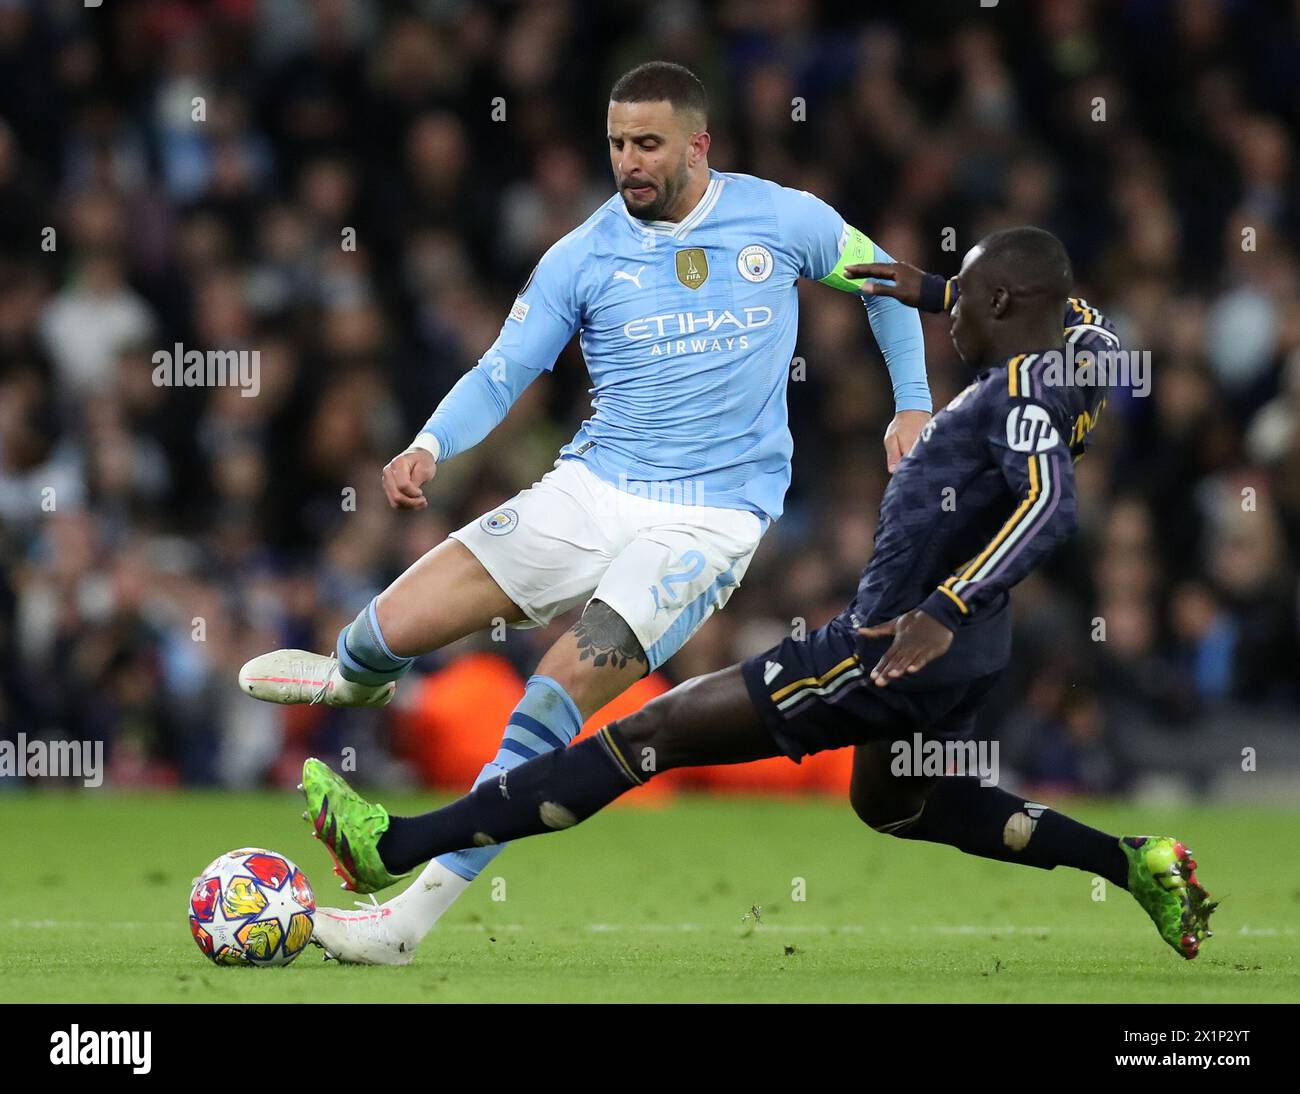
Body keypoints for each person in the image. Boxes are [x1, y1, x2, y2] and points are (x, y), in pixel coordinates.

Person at [301, 227, 1216, 962]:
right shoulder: (1072, 358)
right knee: (906, 803)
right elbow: (1081, 322)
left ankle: (396, 845)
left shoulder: (1017, 388)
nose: (948, 317)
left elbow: (1050, 504)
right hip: (965, 656)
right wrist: (940, 288)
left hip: (894, 648)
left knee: (644, 736)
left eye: (967, 299)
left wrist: (947, 607)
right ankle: (1135, 865)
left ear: (1009, 308)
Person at [239, 61, 931, 961]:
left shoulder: (783, 218)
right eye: (616, 143)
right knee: (384, 630)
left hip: (712, 519)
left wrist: (910, 404)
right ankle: (356, 676)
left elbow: (890, 282)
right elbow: (504, 369)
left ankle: (404, 923)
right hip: (591, 489)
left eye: (647, 143)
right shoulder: (584, 252)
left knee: (552, 697)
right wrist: (430, 446)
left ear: (697, 145)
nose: (629, 162)